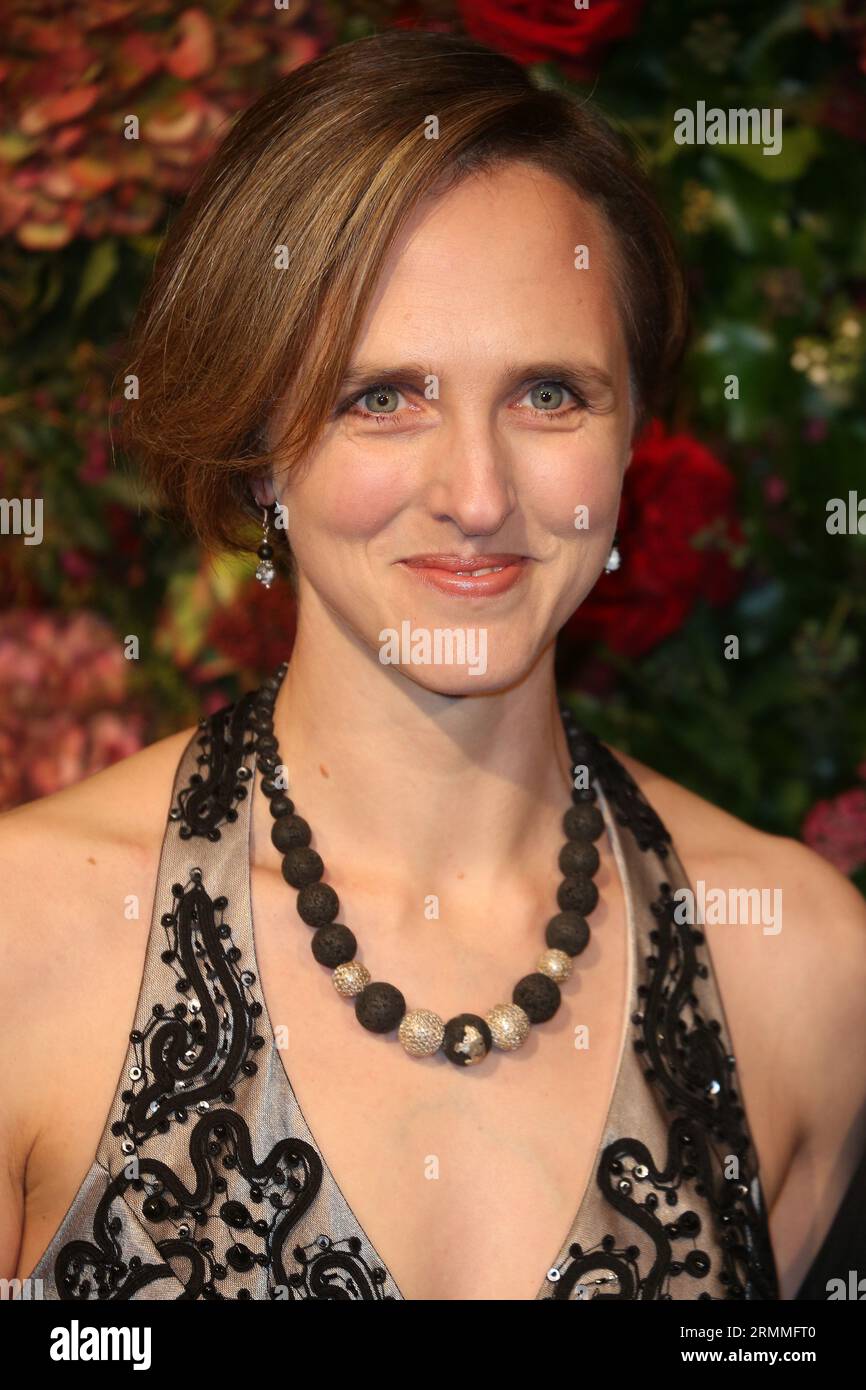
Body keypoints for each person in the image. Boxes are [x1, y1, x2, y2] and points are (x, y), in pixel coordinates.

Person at [1, 29, 864, 1304]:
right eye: (381, 396)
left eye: (549, 395)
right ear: (257, 447)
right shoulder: (28, 939)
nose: (475, 493)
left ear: (634, 430)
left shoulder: (801, 969)